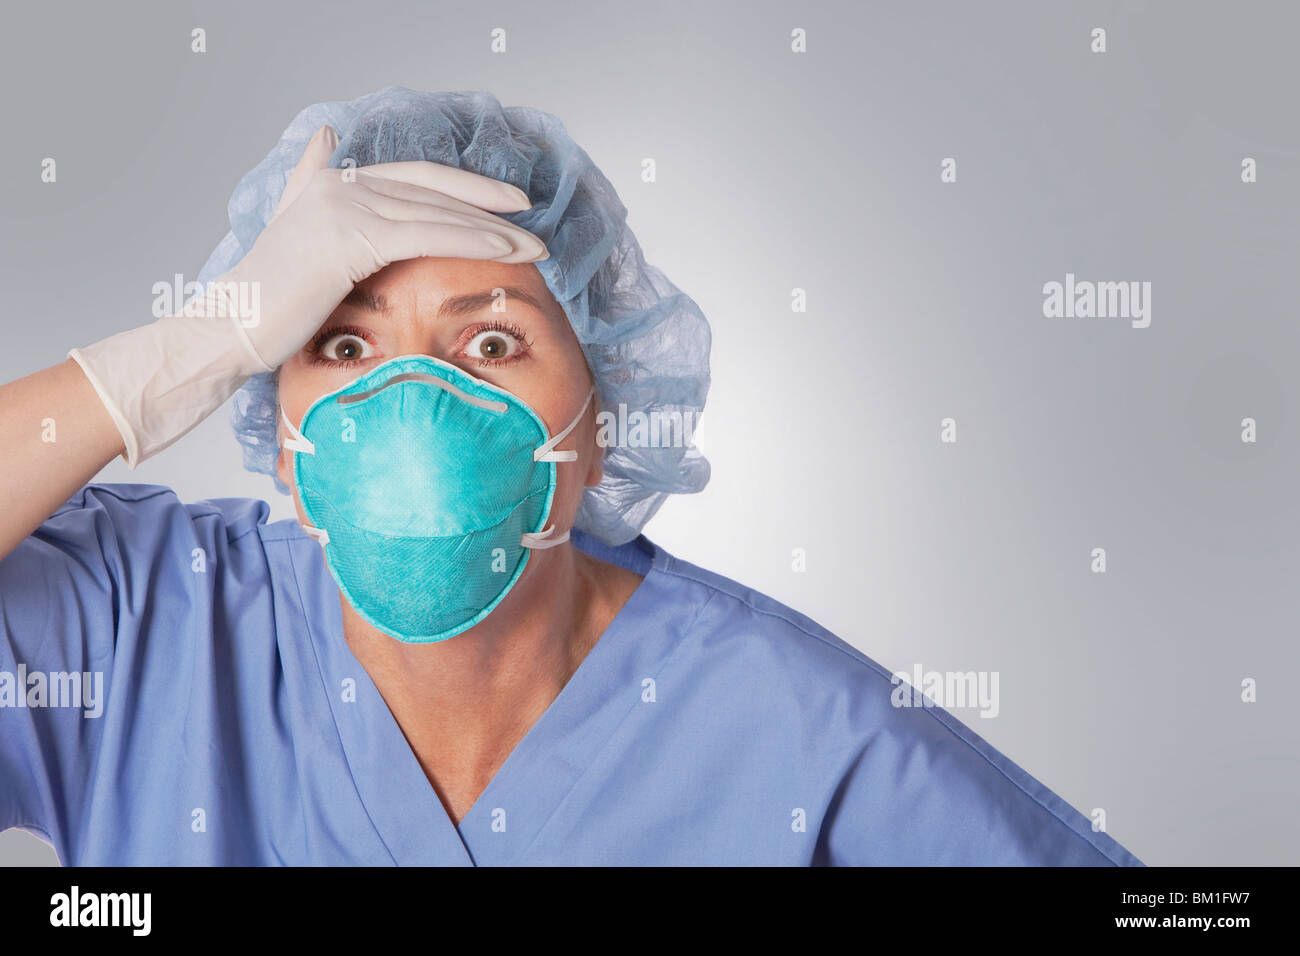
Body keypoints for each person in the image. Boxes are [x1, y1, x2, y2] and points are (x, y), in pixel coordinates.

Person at [0, 86, 1142, 866]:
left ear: (604, 418)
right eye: (340, 342)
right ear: (271, 408)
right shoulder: (139, 628)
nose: (409, 402)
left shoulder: (797, 731)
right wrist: (190, 345)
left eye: (489, 341)